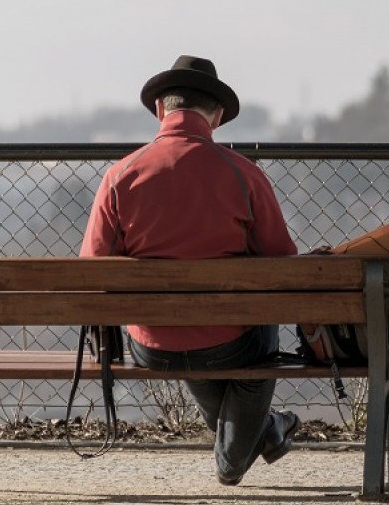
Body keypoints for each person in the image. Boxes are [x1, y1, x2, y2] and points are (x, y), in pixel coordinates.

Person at [80, 55, 301, 486]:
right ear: (216, 117)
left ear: (162, 109)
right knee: (255, 333)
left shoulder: (119, 176)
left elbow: (94, 269)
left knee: (195, 340)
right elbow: (280, 260)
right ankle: (248, 447)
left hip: (150, 345)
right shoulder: (244, 175)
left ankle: (269, 431)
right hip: (229, 343)